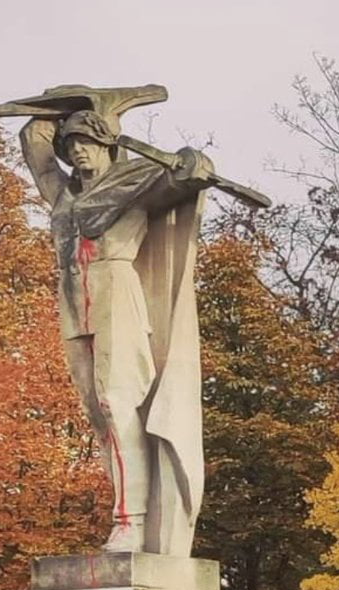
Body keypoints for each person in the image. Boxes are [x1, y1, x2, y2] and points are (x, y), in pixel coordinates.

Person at [20, 110, 211, 554]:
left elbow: (183, 178)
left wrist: (193, 163)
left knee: (118, 402)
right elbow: (34, 143)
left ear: (107, 144)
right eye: (71, 145)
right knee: (99, 414)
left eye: (86, 141)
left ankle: (131, 520)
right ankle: (126, 511)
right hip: (74, 303)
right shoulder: (63, 195)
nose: (77, 151)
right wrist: (68, 105)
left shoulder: (136, 182)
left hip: (117, 295)